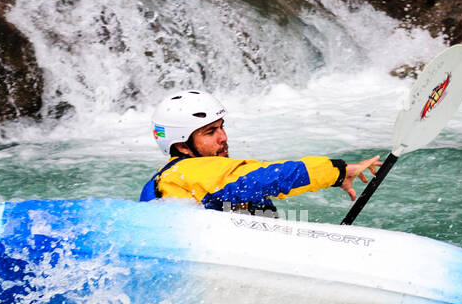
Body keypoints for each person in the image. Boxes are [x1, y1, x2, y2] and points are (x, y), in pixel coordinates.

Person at [140, 90, 382, 216]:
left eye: (221, 127)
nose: (223, 137)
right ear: (182, 146)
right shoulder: (188, 171)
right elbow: (265, 178)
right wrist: (338, 172)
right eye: (210, 132)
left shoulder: (171, 179)